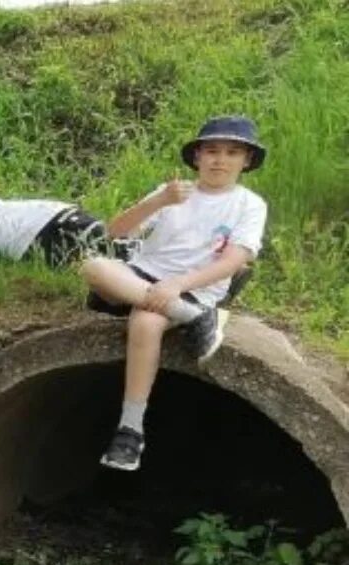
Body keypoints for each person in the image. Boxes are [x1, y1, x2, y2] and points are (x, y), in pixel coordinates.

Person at [81, 115, 268, 473]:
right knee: (94, 267)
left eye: (231, 152)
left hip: (194, 287)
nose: (220, 159)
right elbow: (116, 232)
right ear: (197, 156)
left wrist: (178, 286)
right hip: (143, 274)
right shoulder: (175, 192)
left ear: (246, 161)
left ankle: (130, 430)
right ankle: (196, 320)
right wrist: (158, 202)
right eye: (211, 150)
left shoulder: (249, 204)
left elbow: (234, 261)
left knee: (146, 321)